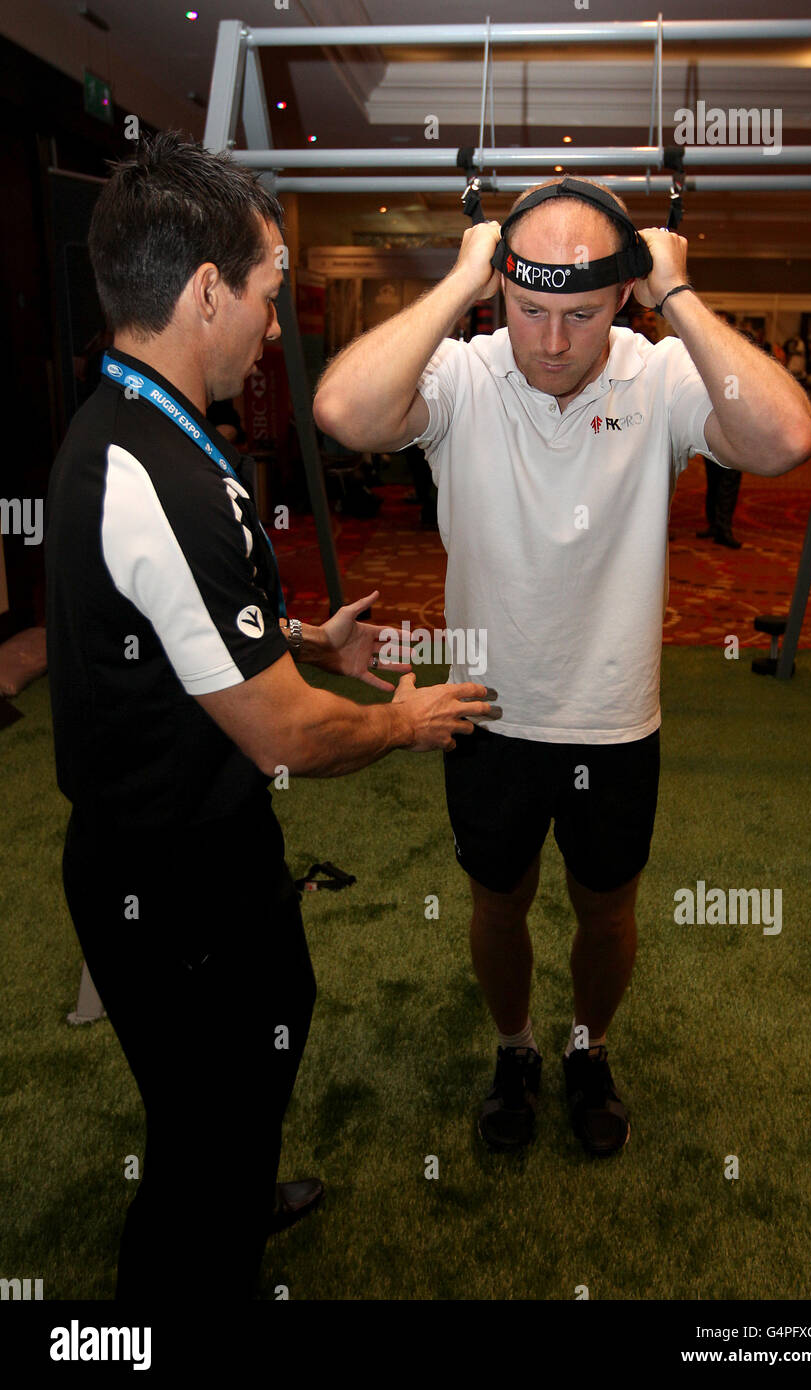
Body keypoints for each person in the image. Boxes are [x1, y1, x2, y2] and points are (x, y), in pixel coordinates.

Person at [44, 131, 491, 1300]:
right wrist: (399, 719)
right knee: (200, 1136)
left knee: (268, 1026)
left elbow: (175, 626)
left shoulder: (133, 424)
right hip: (165, 872)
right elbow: (284, 732)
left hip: (207, 846)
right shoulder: (160, 473)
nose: (272, 320)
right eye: (265, 290)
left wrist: (299, 642)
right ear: (203, 291)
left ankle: (236, 1196)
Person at [313, 175, 811, 1159]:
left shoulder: (657, 374)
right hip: (484, 713)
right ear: (500, 291)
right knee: (494, 901)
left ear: (622, 298)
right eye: (527, 308)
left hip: (614, 720)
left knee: (605, 907)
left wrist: (677, 293)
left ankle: (587, 1047)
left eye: (577, 314)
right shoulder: (464, 375)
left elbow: (785, 438)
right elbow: (341, 410)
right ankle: (515, 1048)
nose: (548, 342)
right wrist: (460, 281)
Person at [696, 310, 744, 549]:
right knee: (714, 478)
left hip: (736, 427)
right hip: (712, 427)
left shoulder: (741, 357)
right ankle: (714, 523)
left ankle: (723, 527)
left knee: (730, 478)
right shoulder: (705, 357)